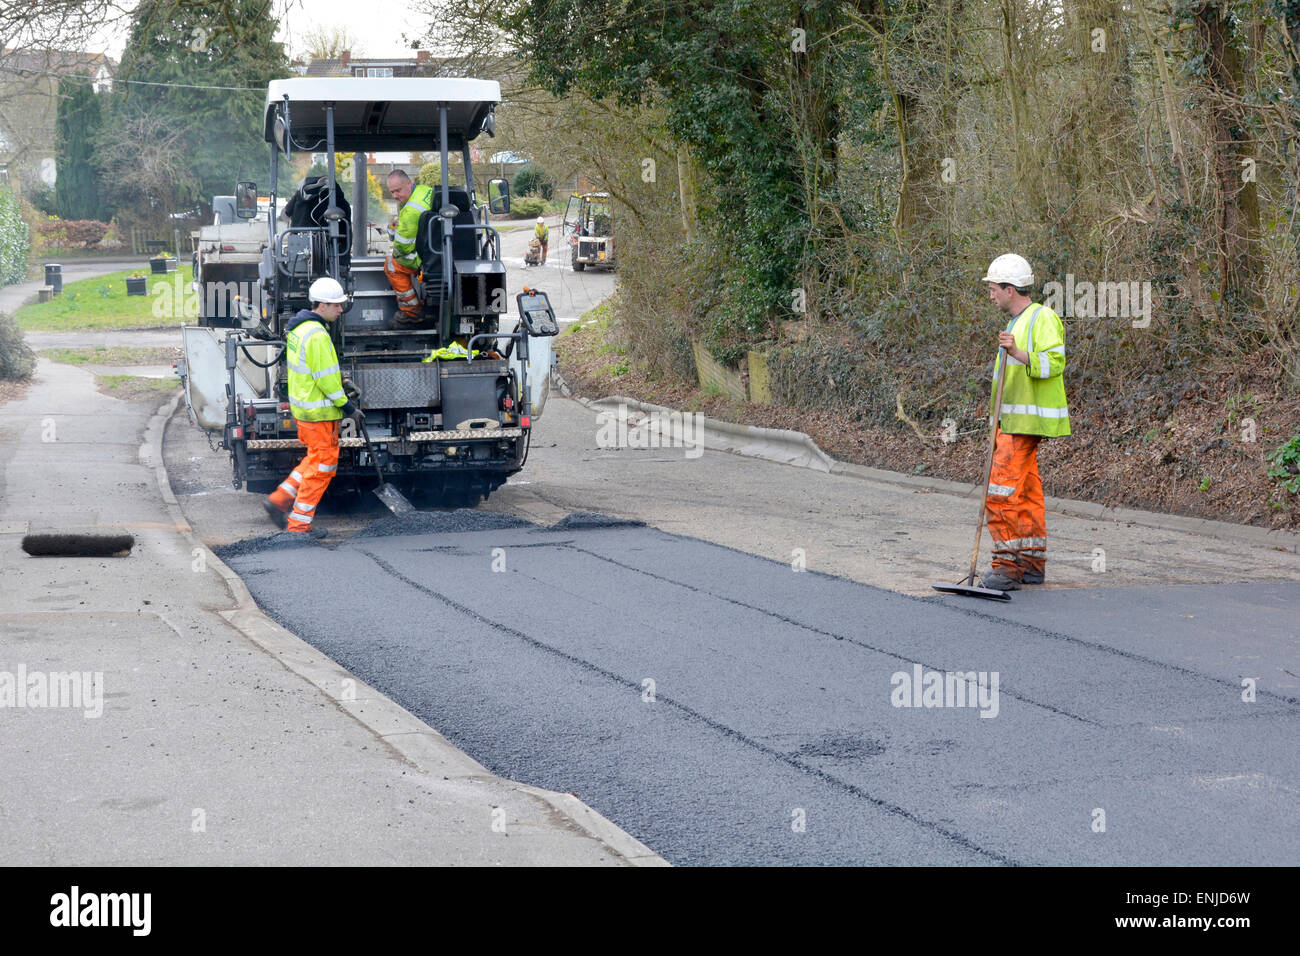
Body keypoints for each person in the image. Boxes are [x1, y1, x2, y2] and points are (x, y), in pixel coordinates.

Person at [980, 253, 1070, 591]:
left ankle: (1007, 567)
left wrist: (1018, 353)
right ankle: (1032, 561)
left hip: (1023, 422)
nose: (990, 294)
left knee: (1001, 492)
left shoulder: (1041, 317)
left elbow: (1055, 362)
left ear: (1009, 288)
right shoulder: (1017, 322)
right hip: (1016, 421)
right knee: (1027, 492)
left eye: (993, 288)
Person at [263, 277, 362, 535]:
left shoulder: (300, 329)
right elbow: (325, 380)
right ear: (322, 305)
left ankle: (278, 500)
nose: (341, 310)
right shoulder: (317, 334)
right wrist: (349, 408)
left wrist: (340, 377)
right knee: (322, 469)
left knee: (314, 460)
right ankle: (298, 526)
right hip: (319, 414)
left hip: (305, 411)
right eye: (336, 305)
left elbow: (312, 368)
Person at [384, 169, 434, 327]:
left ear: (409, 184)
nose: (395, 196)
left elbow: (402, 248)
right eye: (392, 192)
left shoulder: (410, 210)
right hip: (439, 251)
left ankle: (412, 312)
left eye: (398, 190)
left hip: (426, 260)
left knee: (391, 265)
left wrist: (394, 237)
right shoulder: (425, 191)